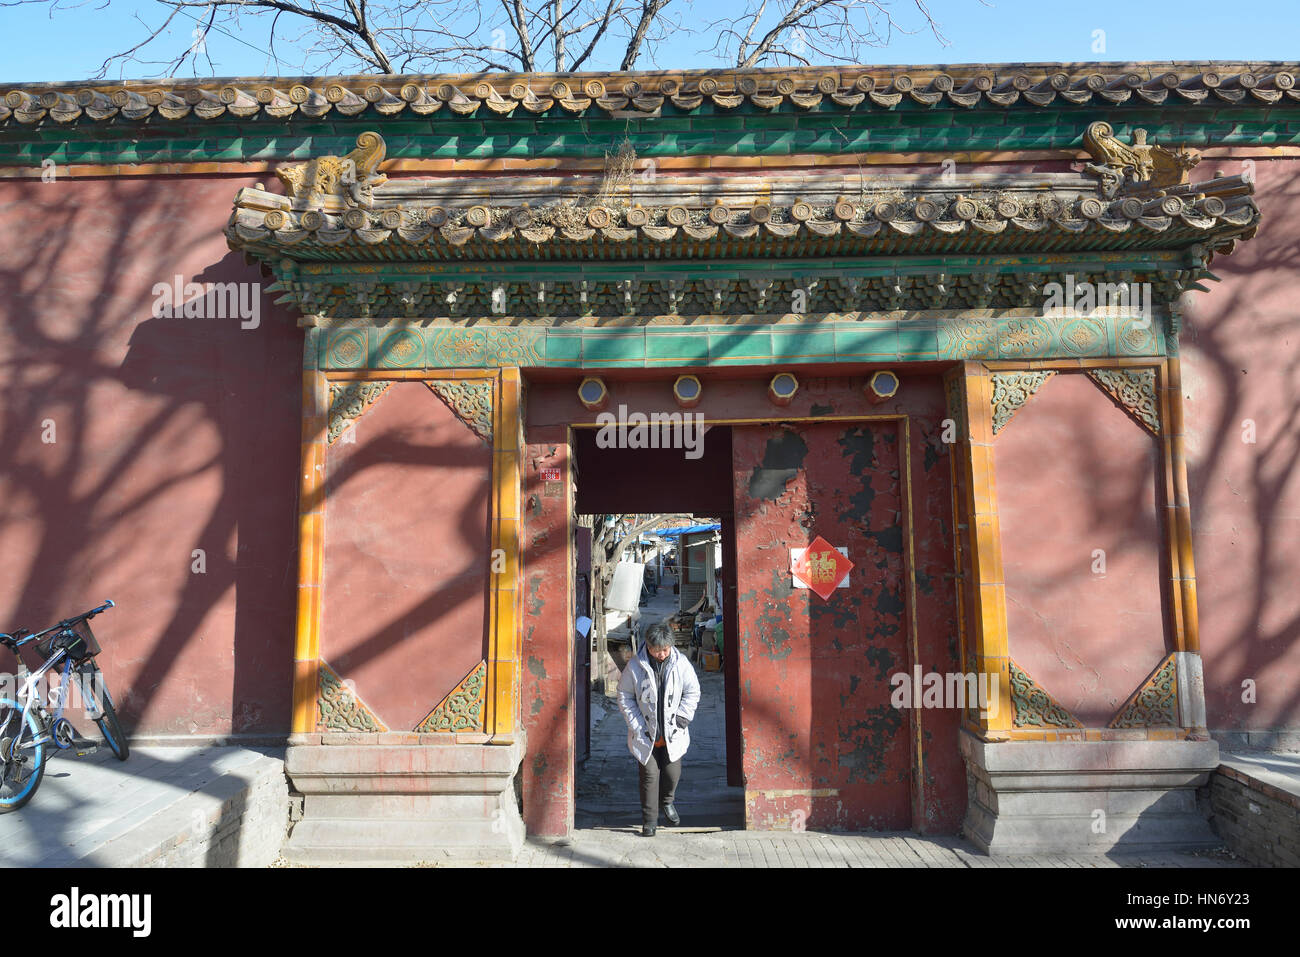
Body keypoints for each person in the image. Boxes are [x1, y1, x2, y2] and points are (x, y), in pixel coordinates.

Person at [617, 621, 701, 837]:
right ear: (648, 646)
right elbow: (624, 695)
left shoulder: (681, 664)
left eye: (665, 649)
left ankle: (667, 802)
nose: (662, 654)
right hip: (646, 732)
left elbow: (693, 691)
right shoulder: (635, 666)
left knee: (672, 773)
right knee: (649, 776)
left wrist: (683, 717)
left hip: (673, 731)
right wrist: (636, 725)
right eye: (657, 650)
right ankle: (649, 820)